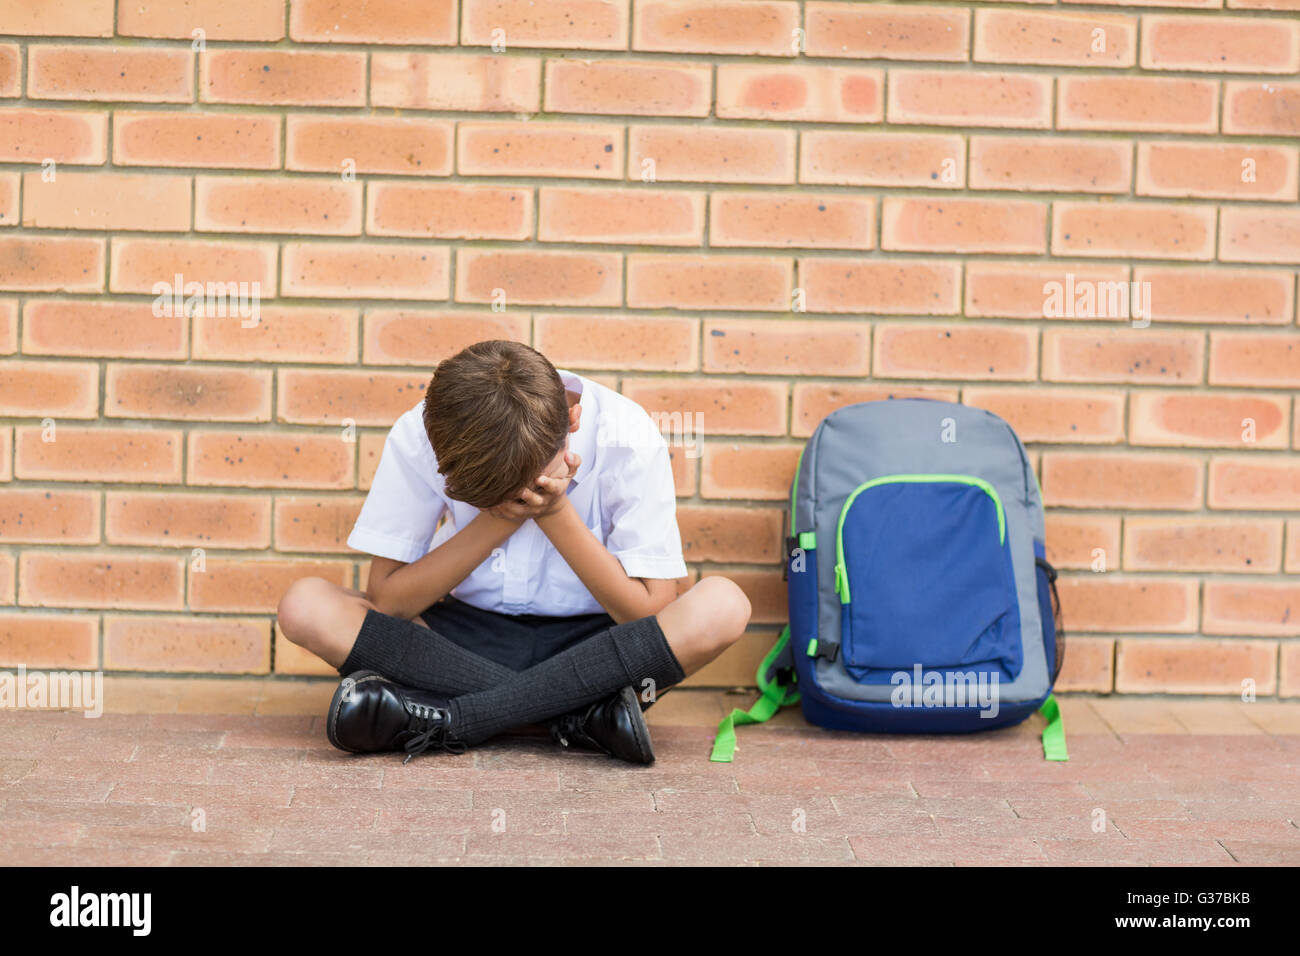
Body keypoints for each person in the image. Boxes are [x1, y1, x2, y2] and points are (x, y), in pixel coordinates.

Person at [277, 339, 751, 764]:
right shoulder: (427, 431)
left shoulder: (627, 432)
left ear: (573, 419)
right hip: (459, 642)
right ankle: (580, 717)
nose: (520, 497)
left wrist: (554, 512)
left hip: (598, 645)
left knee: (722, 605)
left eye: (527, 486)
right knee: (306, 606)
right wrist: (501, 518)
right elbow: (388, 600)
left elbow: (648, 612)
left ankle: (456, 718)